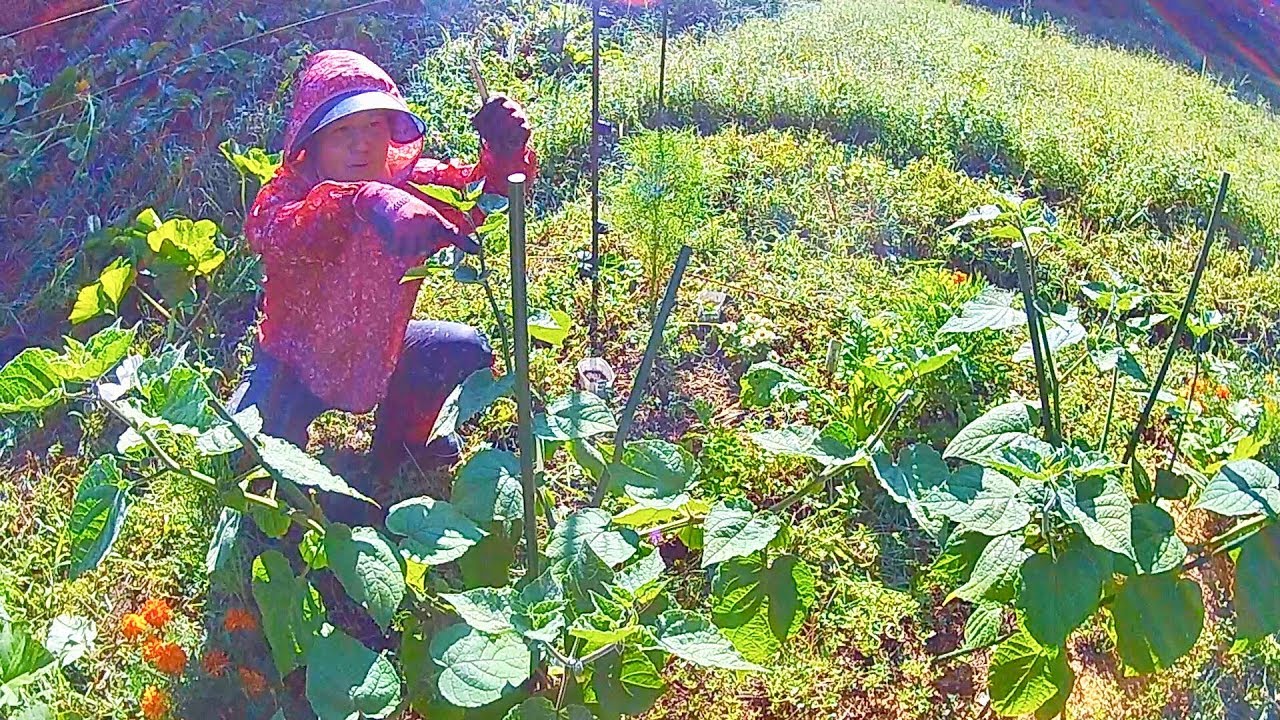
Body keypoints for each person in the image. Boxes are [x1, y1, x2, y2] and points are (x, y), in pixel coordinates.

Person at [229, 49, 536, 493]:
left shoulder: (408, 183)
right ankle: (285, 464)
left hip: (379, 346)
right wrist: (362, 200)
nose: (362, 144)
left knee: (460, 349)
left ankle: (401, 447)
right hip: (294, 361)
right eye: (342, 131)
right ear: (311, 141)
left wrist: (505, 153)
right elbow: (274, 233)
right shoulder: (287, 193)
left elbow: (480, 196)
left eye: (374, 125)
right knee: (246, 453)